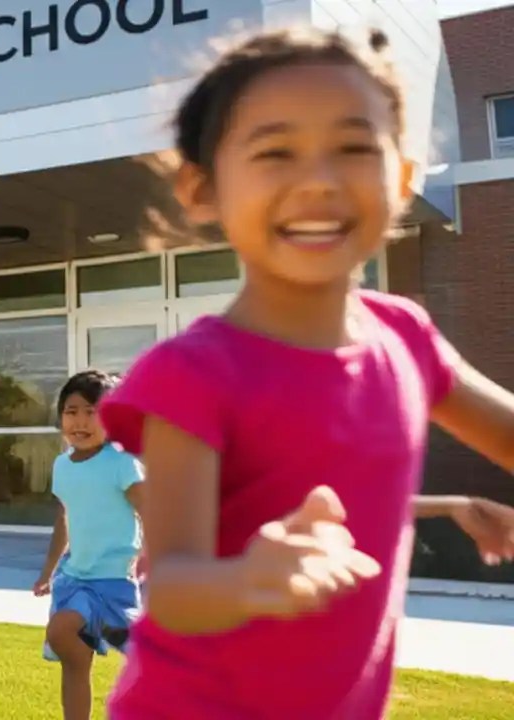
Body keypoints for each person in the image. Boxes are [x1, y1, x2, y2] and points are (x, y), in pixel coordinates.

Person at [95, 27, 514, 719]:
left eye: (353, 147)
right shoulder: (192, 376)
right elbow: (170, 582)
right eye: (275, 152)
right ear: (202, 188)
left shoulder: (406, 338)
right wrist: (251, 581)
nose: (318, 180)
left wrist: (452, 509)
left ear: (404, 178)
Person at [32, 370, 144, 720]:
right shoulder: (62, 466)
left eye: (92, 411)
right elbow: (63, 519)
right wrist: (48, 571)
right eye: (71, 410)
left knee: (150, 661)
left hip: (113, 583)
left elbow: (151, 513)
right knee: (71, 656)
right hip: (75, 579)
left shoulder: (122, 463)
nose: (80, 421)